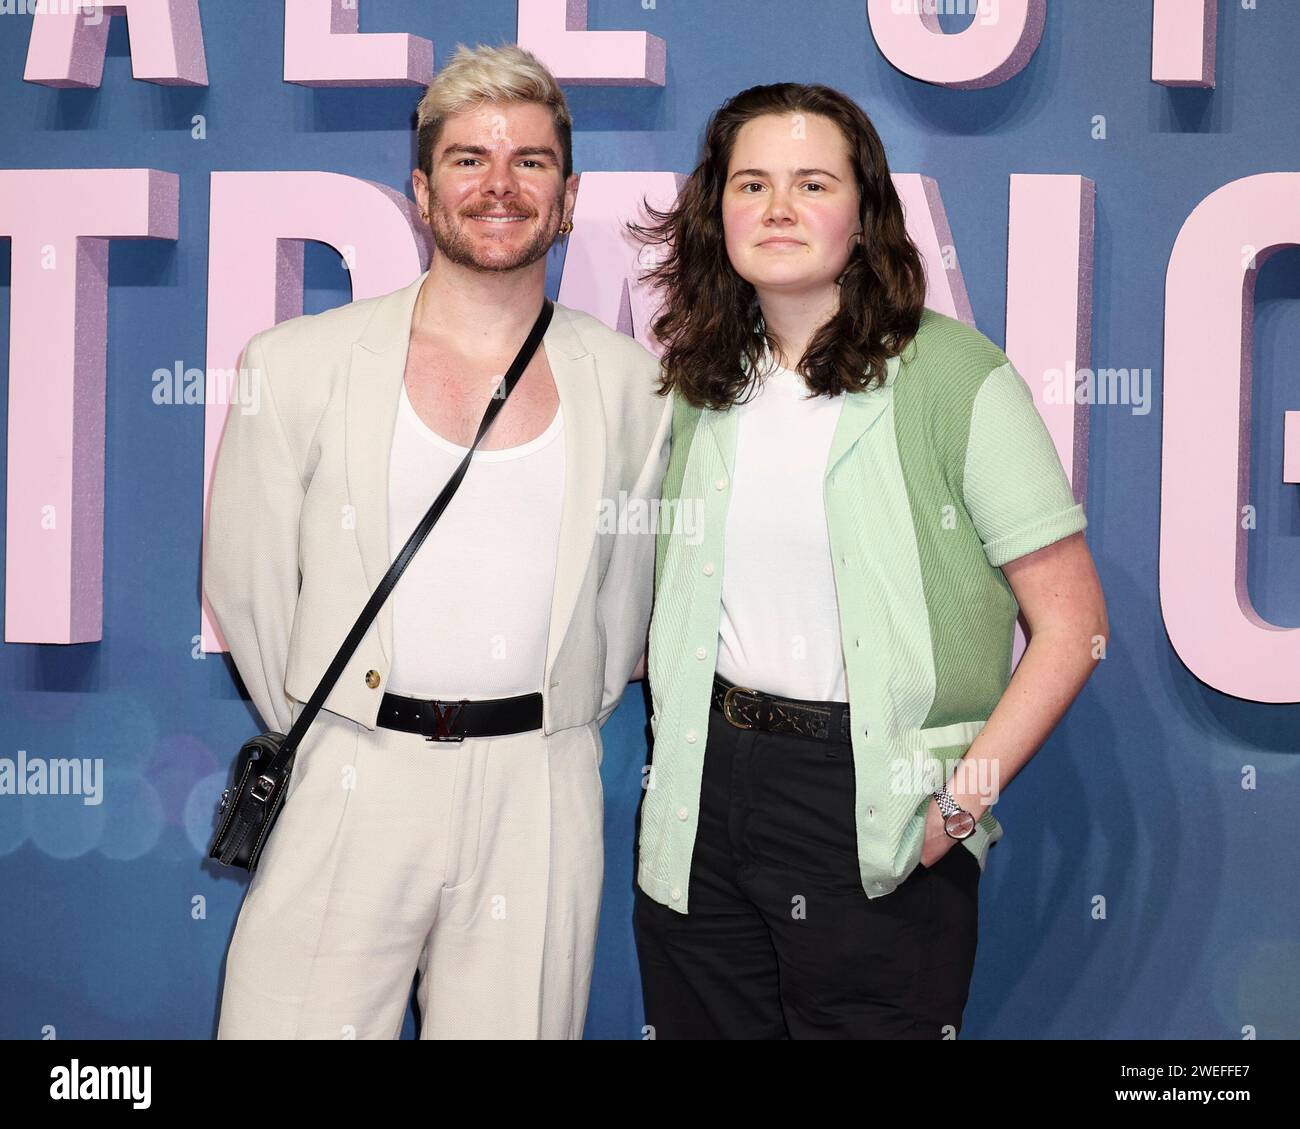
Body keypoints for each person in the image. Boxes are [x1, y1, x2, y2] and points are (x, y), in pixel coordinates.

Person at [204, 43, 671, 1040]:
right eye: (468, 160)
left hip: (540, 786)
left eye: (530, 161)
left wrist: (557, 725)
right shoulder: (295, 365)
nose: (498, 186)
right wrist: (339, 723)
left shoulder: (633, 386)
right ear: (421, 191)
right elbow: (246, 585)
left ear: (570, 195)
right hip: (351, 768)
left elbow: (625, 596)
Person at [629, 82, 1107, 1039]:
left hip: (872, 802)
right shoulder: (699, 379)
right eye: (750, 182)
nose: (777, 208)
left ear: (866, 212)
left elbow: (1074, 626)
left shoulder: (958, 376)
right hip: (703, 785)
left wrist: (958, 809)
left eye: (813, 182)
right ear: (713, 207)